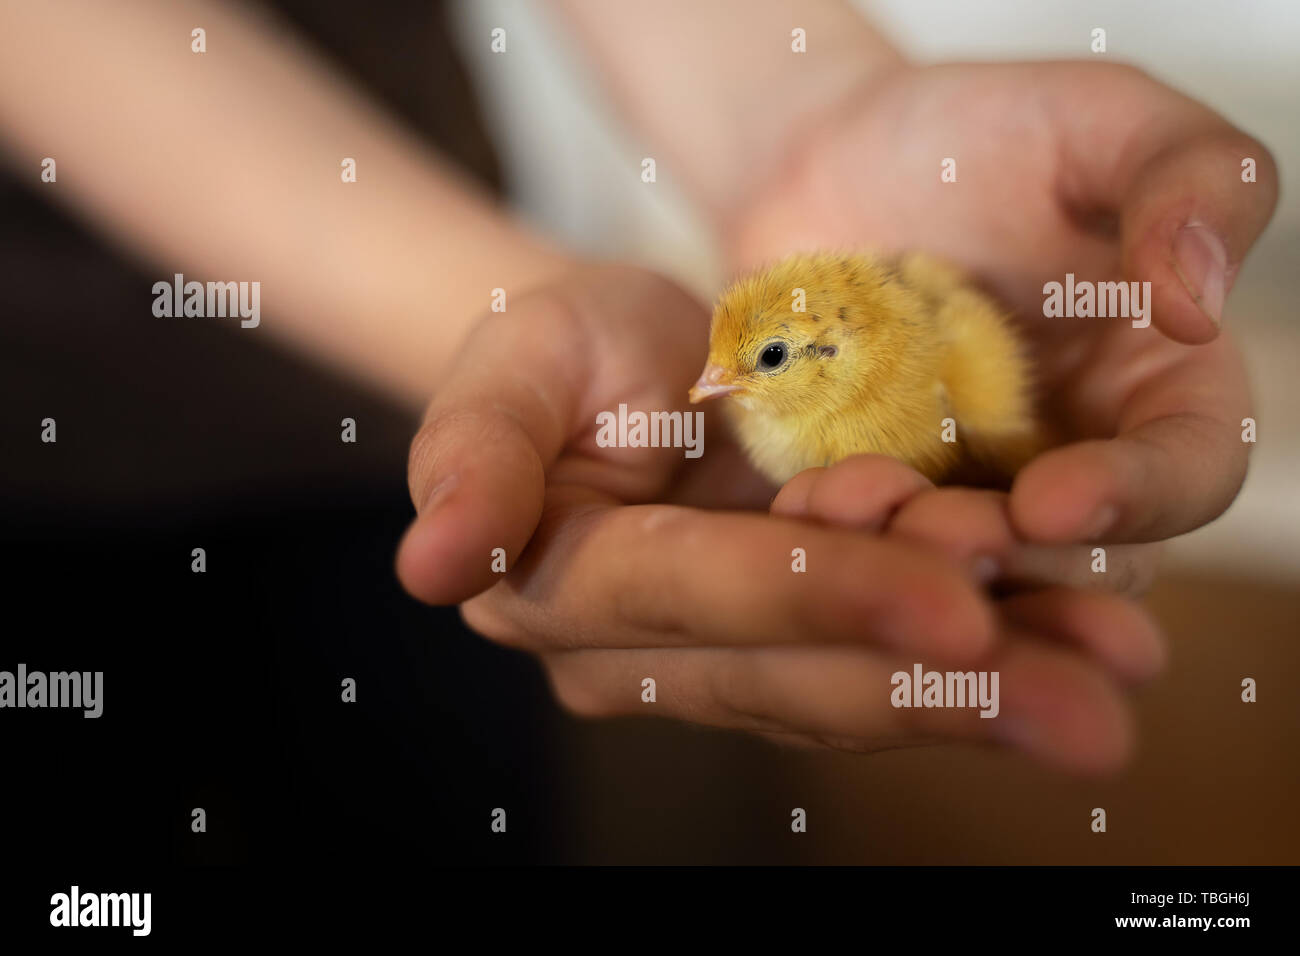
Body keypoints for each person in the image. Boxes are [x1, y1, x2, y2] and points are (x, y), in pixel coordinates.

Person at [2, 0, 1277, 773]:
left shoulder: (871, 369)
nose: (719, 385)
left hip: (366, 460)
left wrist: (804, 106)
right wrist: (482, 305)